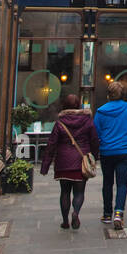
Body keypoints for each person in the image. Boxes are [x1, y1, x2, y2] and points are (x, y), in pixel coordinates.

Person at [40, 92, 99, 230]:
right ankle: (76, 212)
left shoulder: (60, 122)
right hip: (81, 161)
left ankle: (65, 221)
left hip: (63, 162)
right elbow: (94, 140)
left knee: (64, 192)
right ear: (79, 105)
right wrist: (94, 157)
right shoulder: (87, 120)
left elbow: (51, 144)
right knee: (79, 192)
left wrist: (45, 166)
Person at [94, 80, 127, 229]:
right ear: (123, 95)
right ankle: (118, 213)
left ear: (108, 95)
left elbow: (95, 133)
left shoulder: (101, 111)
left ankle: (107, 213)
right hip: (124, 152)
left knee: (107, 183)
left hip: (107, 151)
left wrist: (96, 150)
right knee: (122, 183)